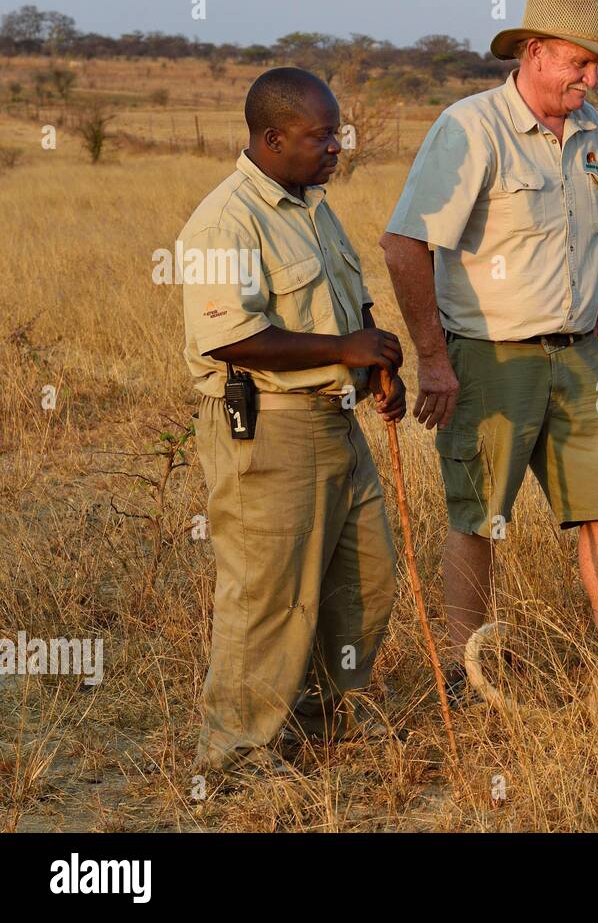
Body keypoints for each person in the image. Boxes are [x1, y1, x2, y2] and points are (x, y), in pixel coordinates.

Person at [380, 0, 598, 703]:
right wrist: (433, 358)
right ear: (534, 54)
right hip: (490, 355)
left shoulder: (591, 130)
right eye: (579, 63)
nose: (591, 78)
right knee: (480, 514)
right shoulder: (470, 128)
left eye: (596, 64)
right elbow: (403, 245)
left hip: (580, 353)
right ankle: (470, 676)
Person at [179, 67, 407, 775]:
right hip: (270, 427)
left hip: (336, 421)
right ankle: (235, 758)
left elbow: (351, 302)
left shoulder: (311, 204)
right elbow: (229, 336)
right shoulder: (226, 218)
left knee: (365, 578)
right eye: (321, 136)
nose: (336, 147)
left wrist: (377, 363)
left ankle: (317, 724)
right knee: (269, 597)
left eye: (335, 133)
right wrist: (344, 349)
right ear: (273, 138)